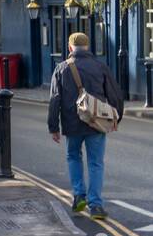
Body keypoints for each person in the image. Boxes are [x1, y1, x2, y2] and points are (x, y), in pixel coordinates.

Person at [48, 32, 123, 220]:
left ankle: (79, 195)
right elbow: (115, 95)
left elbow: (54, 99)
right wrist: (116, 119)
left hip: (72, 123)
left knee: (73, 156)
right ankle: (96, 206)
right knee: (96, 162)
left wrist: (53, 127)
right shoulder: (100, 66)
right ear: (87, 47)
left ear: (70, 48)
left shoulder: (62, 68)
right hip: (96, 122)